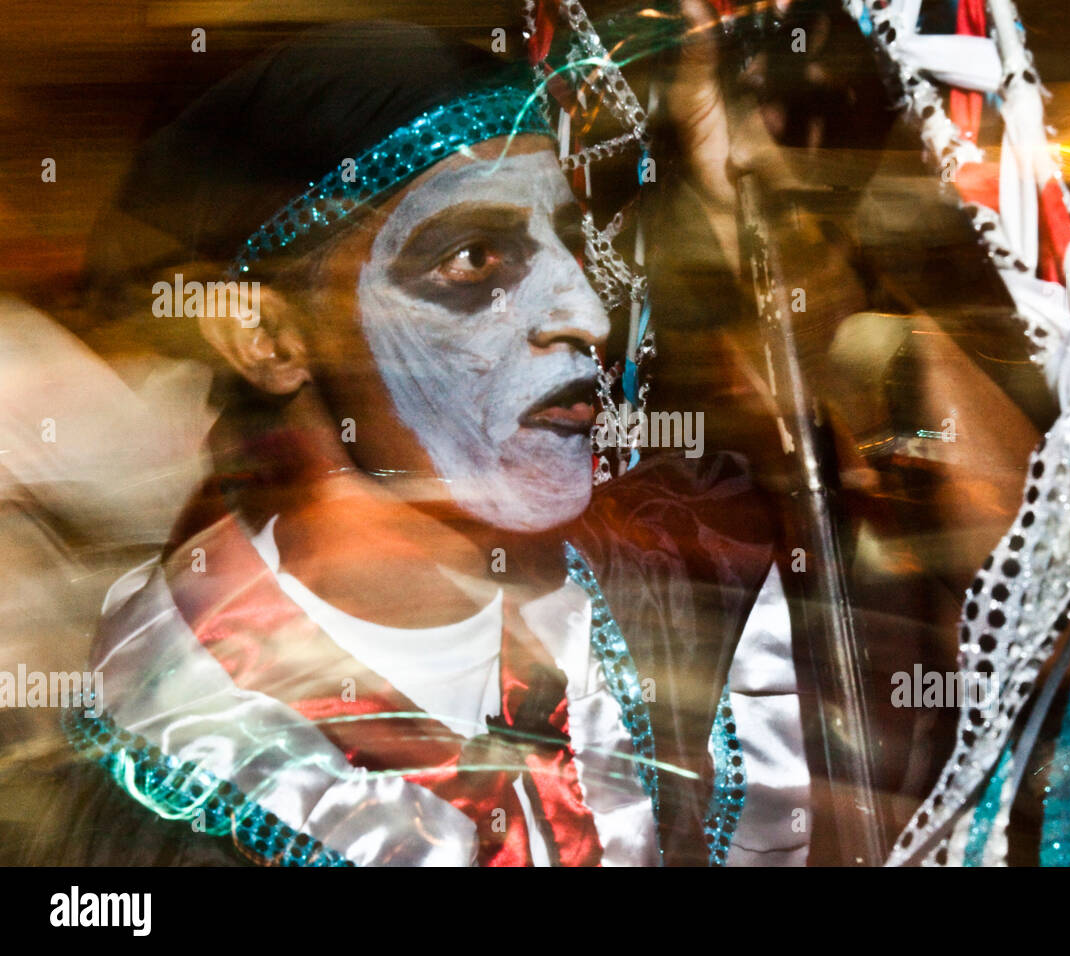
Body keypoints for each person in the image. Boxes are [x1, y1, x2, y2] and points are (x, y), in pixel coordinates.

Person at [47, 18, 820, 867]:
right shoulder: (188, 772)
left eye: (572, 242)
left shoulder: (676, 593)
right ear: (268, 337)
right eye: (475, 257)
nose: (587, 317)